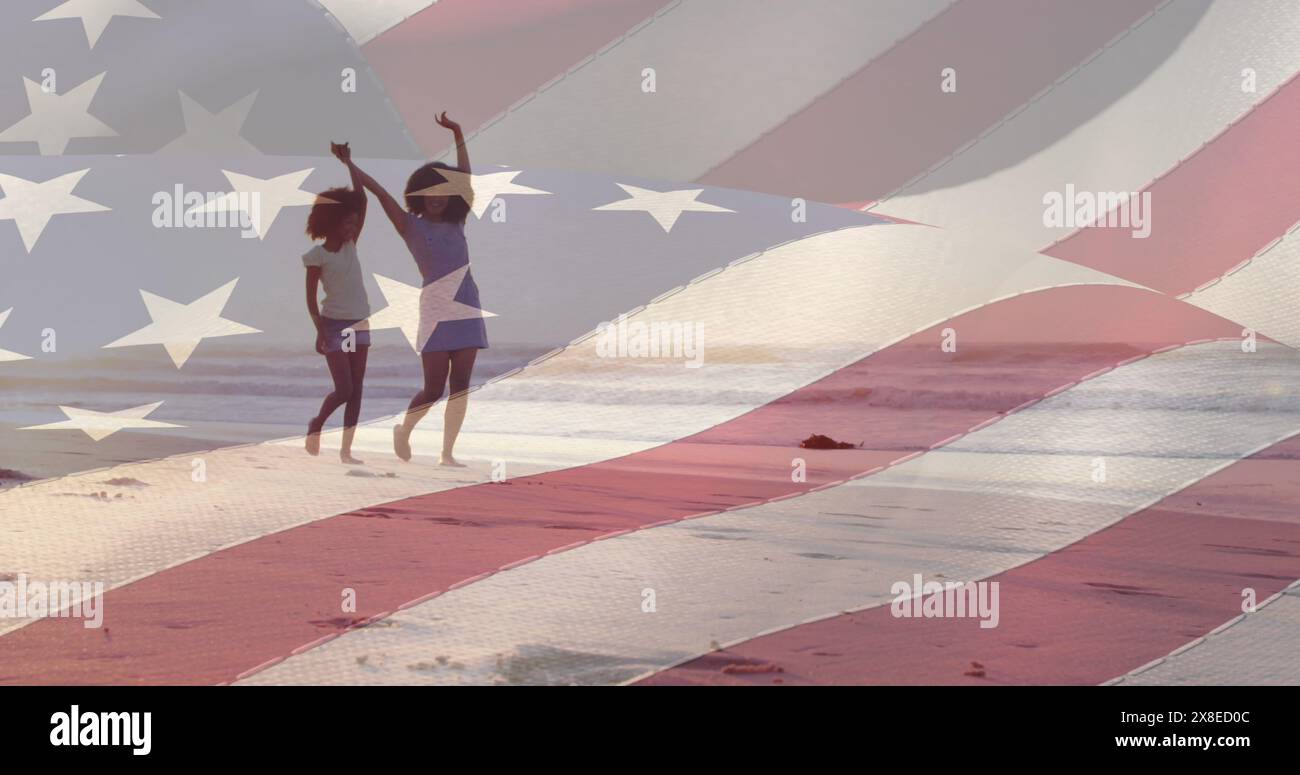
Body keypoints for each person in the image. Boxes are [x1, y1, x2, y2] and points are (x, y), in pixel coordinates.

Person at [340, 113, 488, 466]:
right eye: (428, 192)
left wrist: (458, 132)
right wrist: (348, 163)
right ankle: (404, 430)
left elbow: (465, 179)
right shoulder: (409, 226)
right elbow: (377, 192)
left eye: (441, 191)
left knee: (461, 387)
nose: (435, 198)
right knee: (435, 388)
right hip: (435, 310)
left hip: (467, 306)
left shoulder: (457, 220)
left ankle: (447, 453)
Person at [303, 142, 371, 464]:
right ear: (331, 222)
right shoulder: (316, 256)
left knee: (357, 392)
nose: (353, 227)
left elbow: (363, 197)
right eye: (347, 223)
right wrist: (319, 330)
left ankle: (346, 451)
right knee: (343, 390)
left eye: (355, 223)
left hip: (360, 322)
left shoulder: (351, 245)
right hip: (334, 325)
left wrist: (349, 163)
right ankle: (317, 424)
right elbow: (311, 299)